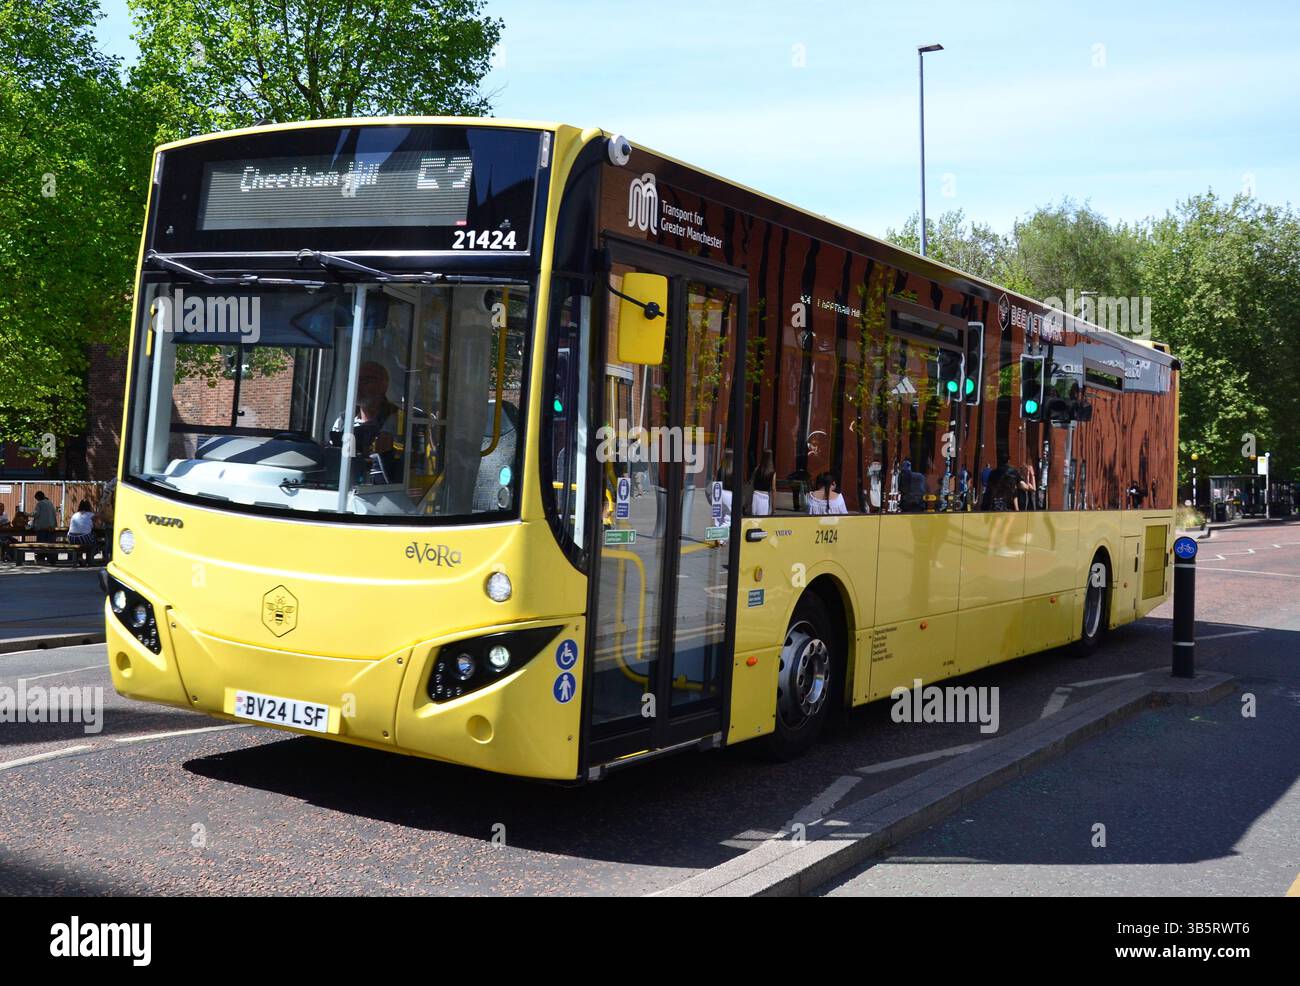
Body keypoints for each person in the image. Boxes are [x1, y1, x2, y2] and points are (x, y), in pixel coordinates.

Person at [331, 360, 402, 484]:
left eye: (366, 381)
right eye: (354, 380)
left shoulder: (396, 419)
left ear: (384, 385)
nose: (358, 386)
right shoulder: (344, 420)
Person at [67, 499, 98, 565]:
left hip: (71, 538)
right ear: (89, 506)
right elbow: (96, 526)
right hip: (84, 537)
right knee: (94, 539)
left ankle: (79, 557)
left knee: (82, 541)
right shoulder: (91, 515)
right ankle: (90, 559)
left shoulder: (74, 515)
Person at [749, 450, 776, 516]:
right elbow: (773, 490)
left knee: (753, 520)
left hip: (755, 495)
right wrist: (773, 507)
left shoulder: (757, 469)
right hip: (764, 498)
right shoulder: (772, 473)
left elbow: (751, 484)